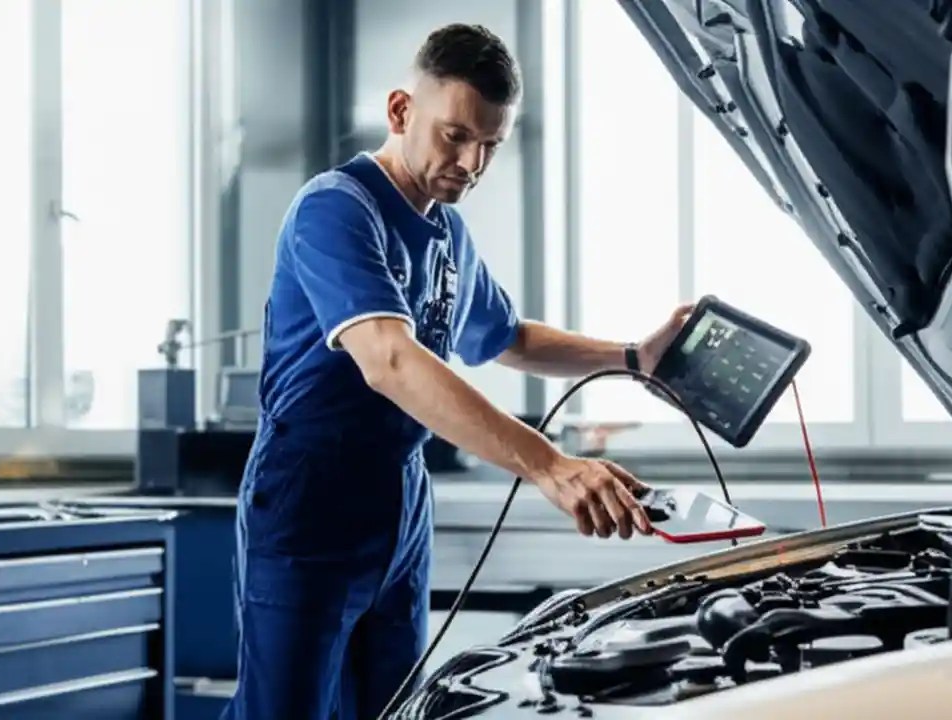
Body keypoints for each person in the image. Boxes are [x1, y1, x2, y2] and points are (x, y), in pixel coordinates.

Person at [224, 23, 693, 720]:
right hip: (309, 501)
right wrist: (548, 464)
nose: (472, 163)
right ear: (400, 111)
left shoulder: (446, 232)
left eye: (490, 146)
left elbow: (507, 337)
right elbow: (388, 359)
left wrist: (633, 358)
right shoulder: (335, 209)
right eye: (456, 136)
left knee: (394, 709)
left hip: (399, 504)